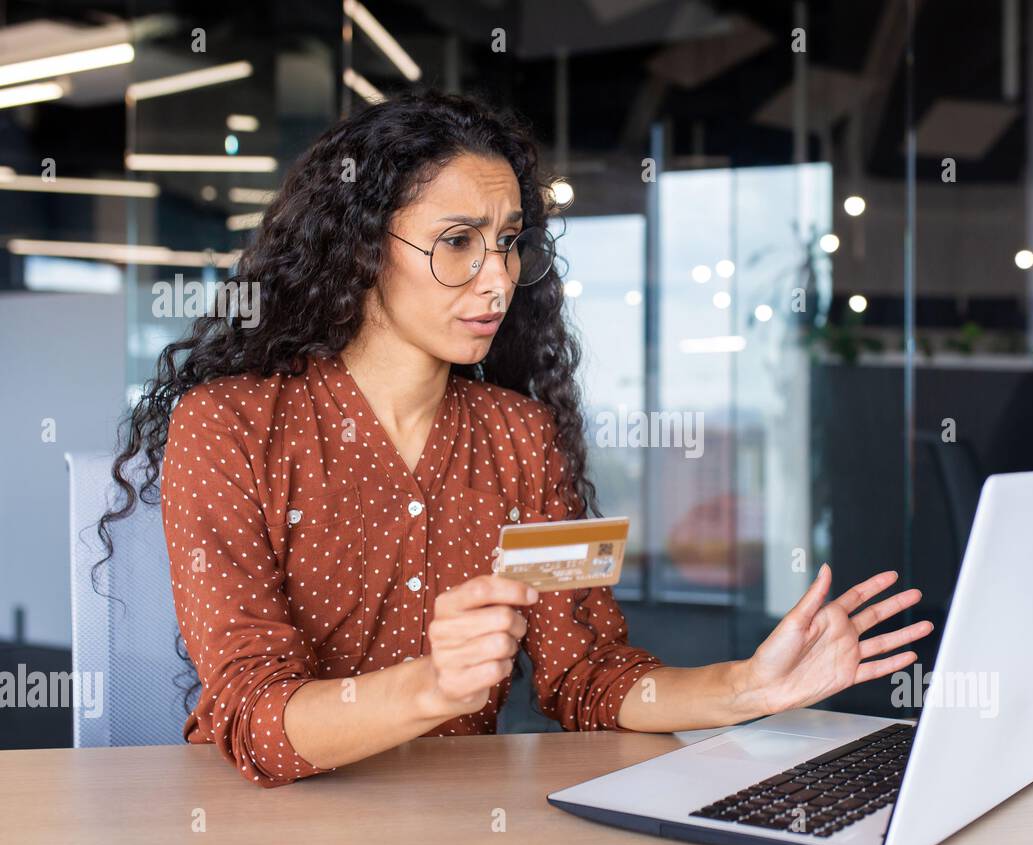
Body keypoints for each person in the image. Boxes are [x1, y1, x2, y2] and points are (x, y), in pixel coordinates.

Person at [98, 89, 932, 787]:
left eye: (506, 244)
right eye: (457, 243)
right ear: (359, 248)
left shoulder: (519, 437)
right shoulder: (230, 424)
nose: (496, 278)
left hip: (460, 822)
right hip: (266, 830)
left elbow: (587, 675)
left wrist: (746, 686)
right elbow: (252, 716)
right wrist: (431, 686)